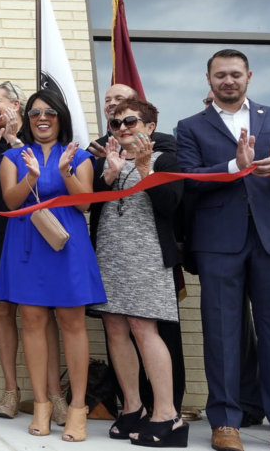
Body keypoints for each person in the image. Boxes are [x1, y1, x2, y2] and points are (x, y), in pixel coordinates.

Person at [175, 49, 270, 451]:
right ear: (208, 79)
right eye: (220, 75)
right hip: (219, 242)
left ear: (249, 76)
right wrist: (231, 167)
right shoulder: (190, 126)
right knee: (222, 333)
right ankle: (225, 422)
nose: (228, 80)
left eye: (235, 74)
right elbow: (189, 179)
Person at [0, 89, 105, 442]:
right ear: (26, 120)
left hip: (67, 245)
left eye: (50, 112)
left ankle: (77, 409)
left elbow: (85, 203)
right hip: (27, 246)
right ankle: (42, 404)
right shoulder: (13, 156)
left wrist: (65, 172)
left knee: (72, 322)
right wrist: (30, 178)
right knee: (32, 321)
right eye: (34, 113)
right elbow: (12, 201)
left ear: (61, 116)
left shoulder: (79, 155)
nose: (42, 118)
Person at [0, 81, 68, 423]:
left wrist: (13, 138)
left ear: (17, 104)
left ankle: (55, 394)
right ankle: (11, 390)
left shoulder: (40, 137)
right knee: (3, 308)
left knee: (42, 310)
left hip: (35, 230)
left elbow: (43, 179)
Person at [89, 98, 188, 446]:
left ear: (149, 126)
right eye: (116, 124)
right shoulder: (108, 160)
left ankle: (167, 415)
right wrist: (110, 175)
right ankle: (133, 408)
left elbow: (169, 205)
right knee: (115, 327)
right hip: (109, 255)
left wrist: (145, 171)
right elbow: (93, 206)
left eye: (130, 121)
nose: (122, 128)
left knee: (143, 328)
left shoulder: (165, 158)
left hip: (146, 258)